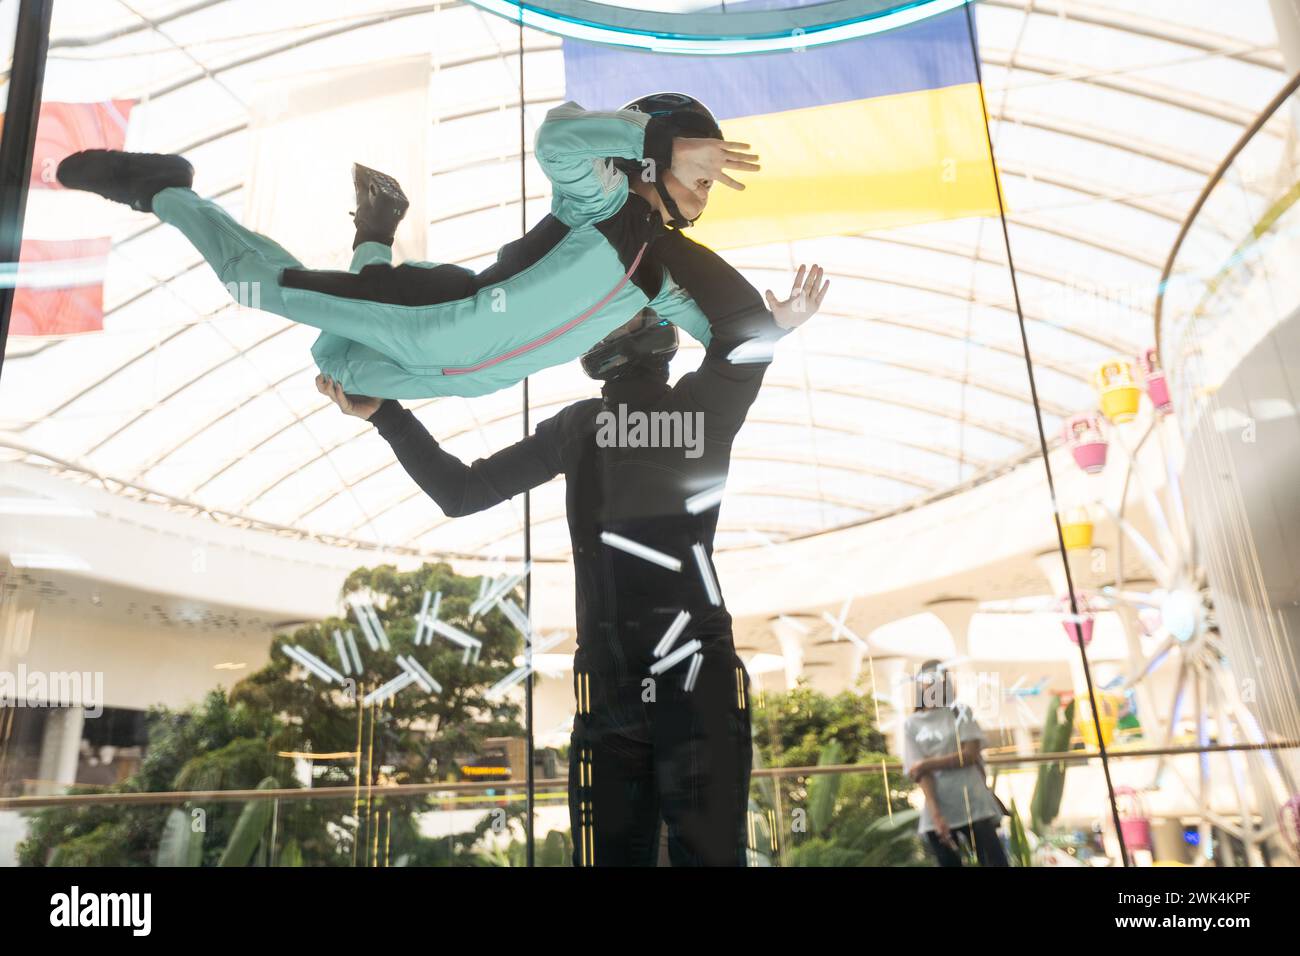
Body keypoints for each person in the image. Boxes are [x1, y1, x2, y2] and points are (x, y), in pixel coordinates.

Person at [319, 226, 828, 866]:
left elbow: (460, 491)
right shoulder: (700, 409)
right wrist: (765, 325)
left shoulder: (580, 428)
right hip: (693, 676)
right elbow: (738, 335)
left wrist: (386, 415)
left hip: (614, 684)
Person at [55, 93, 759, 400]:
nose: (702, 195)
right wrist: (655, 138)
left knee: (335, 363)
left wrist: (775, 322)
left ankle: (374, 233)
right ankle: (165, 190)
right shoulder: (599, 203)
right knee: (253, 286)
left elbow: (721, 337)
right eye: (698, 175)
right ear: (650, 158)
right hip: (434, 319)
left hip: (460, 378)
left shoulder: (659, 276)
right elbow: (557, 136)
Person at [902, 659, 1009, 867]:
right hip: (939, 805)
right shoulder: (912, 724)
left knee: (995, 862)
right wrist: (936, 815)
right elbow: (920, 774)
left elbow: (969, 754)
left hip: (974, 802)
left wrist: (927, 763)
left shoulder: (960, 712)